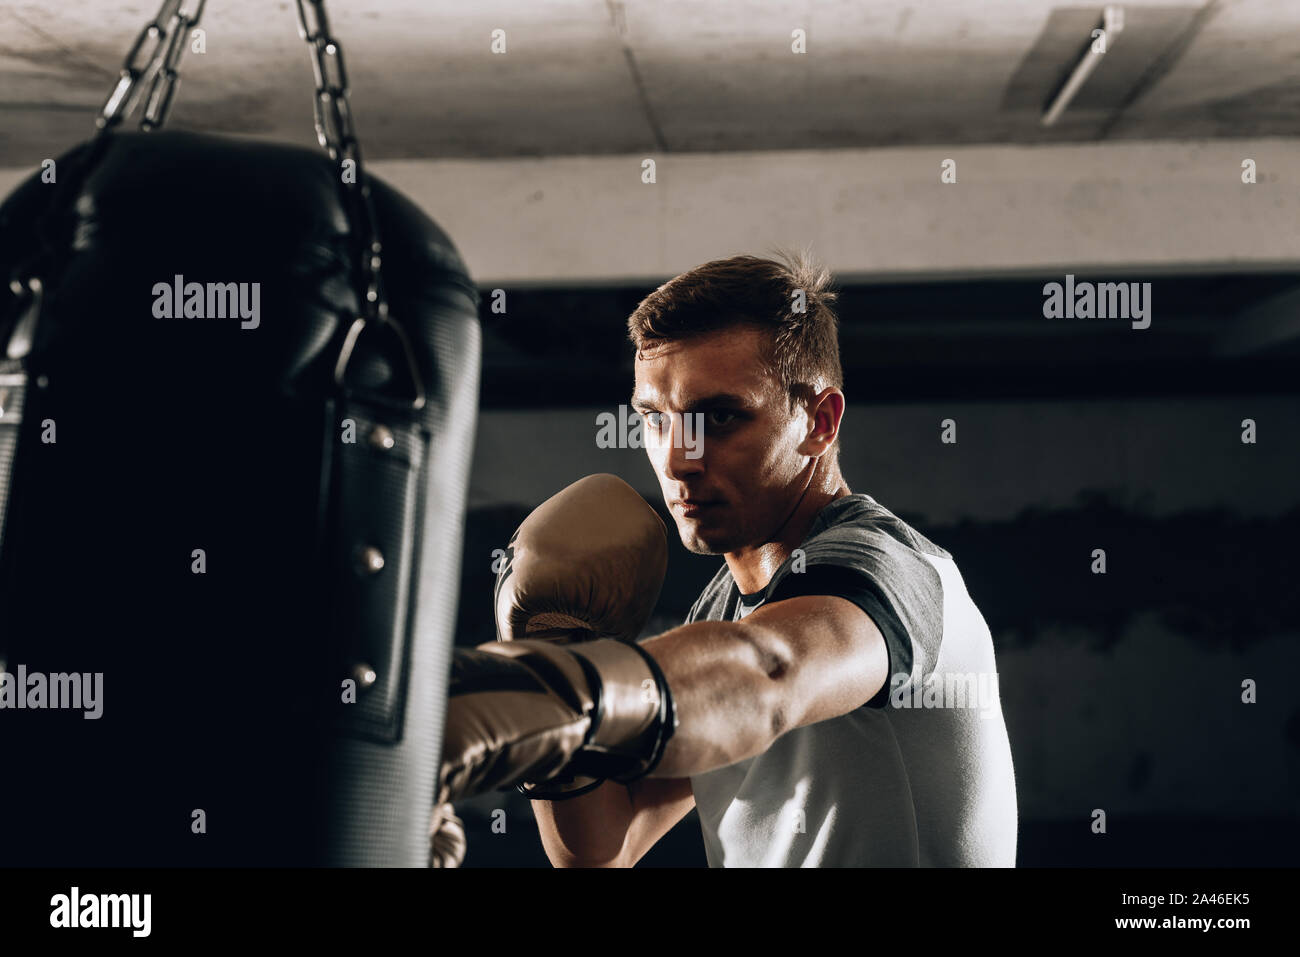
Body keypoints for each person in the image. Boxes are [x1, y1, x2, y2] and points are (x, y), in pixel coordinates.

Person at [442, 250, 1018, 867]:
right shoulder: (719, 612)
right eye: (656, 420)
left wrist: (539, 693)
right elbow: (602, 848)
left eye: (718, 417)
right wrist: (554, 654)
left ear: (819, 422)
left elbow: (772, 674)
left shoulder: (889, 568)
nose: (678, 459)